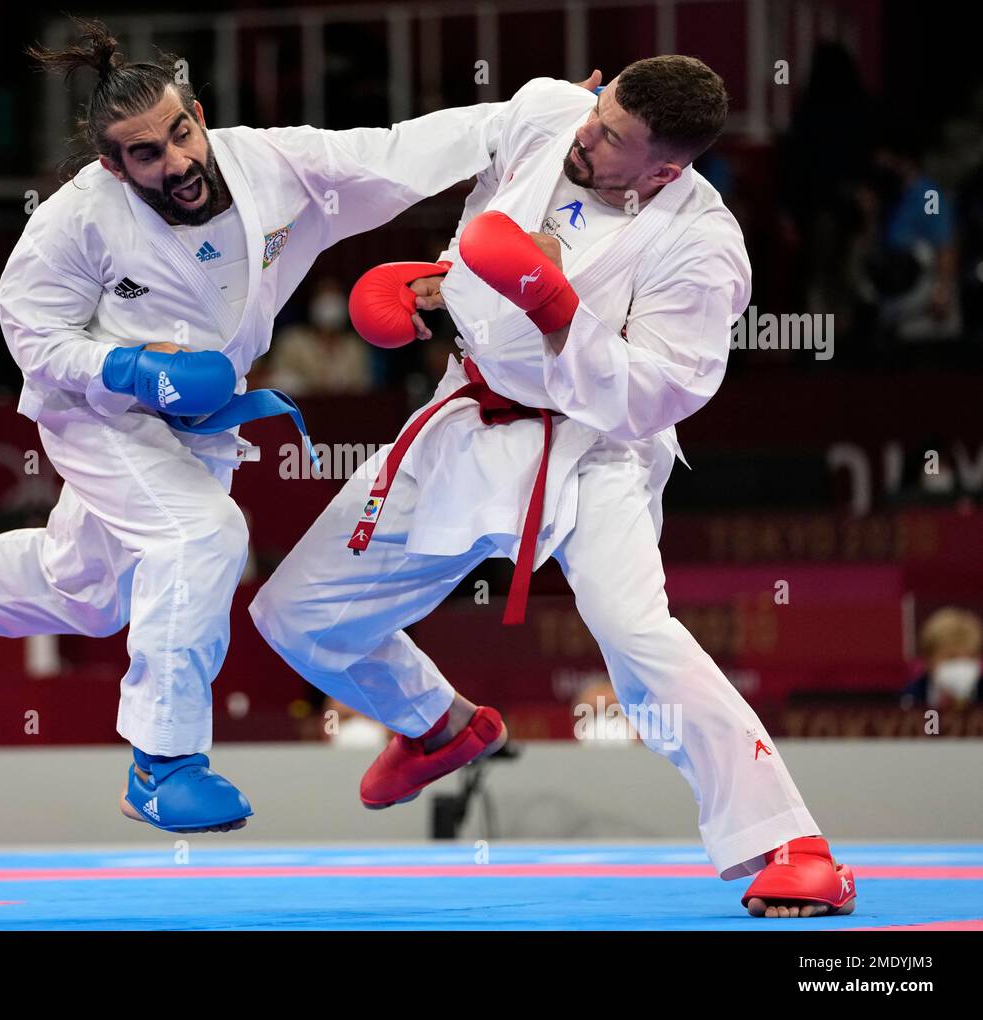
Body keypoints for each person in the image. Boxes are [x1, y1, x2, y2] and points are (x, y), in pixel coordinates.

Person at [0, 17, 517, 834]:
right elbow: (32, 334)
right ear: (112, 166)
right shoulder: (76, 222)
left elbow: (401, 149)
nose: (177, 161)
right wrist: (126, 367)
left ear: (197, 111)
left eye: (182, 133)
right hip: (100, 416)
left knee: (84, 593)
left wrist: (534, 117)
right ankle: (163, 764)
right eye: (146, 155)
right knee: (202, 538)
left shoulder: (275, 168)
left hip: (204, 420)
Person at [251, 56, 857, 917]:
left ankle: (791, 843)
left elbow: (659, 394)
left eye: (613, 137)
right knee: (295, 614)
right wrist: (440, 283)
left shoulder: (702, 245)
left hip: (593, 451)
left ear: (665, 169)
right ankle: (441, 724)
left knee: (634, 632)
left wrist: (554, 305)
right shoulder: (549, 115)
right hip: (465, 418)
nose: (587, 131)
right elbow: (427, 184)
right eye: (597, 109)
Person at [901, 607, 982, 708]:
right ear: (928, 659)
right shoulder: (908, 700)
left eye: (970, 657)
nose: (962, 665)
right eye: (952, 657)